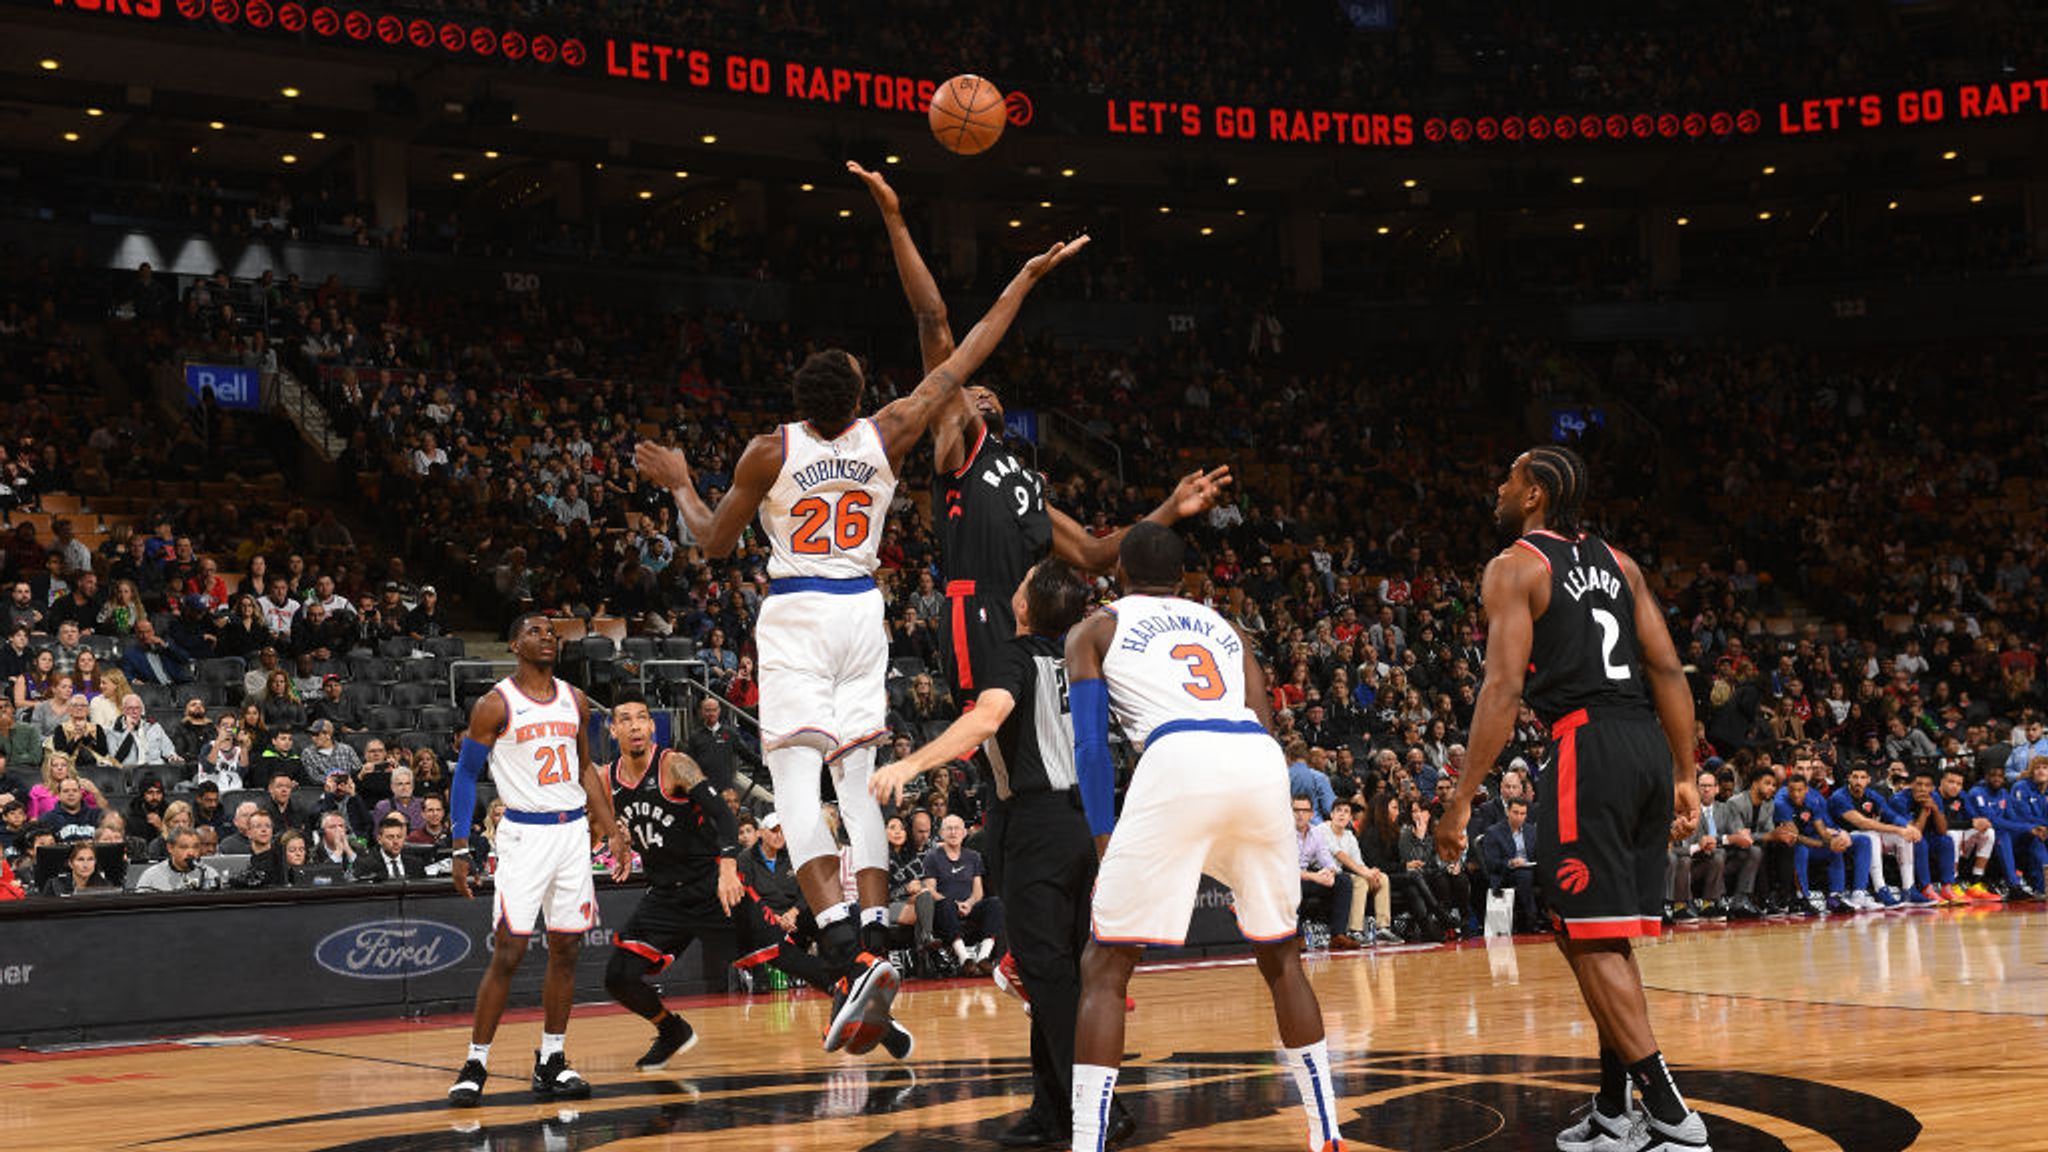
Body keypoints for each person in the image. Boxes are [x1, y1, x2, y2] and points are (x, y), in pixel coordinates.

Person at [632, 228, 1085, 1058]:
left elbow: (711, 543)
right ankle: (878, 944)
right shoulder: (888, 433)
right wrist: (1023, 276)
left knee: (799, 787)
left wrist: (679, 485)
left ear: (802, 401)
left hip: (798, 613)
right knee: (858, 779)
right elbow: (961, 344)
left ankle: (844, 949)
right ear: (857, 395)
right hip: (862, 612)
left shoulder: (771, 450)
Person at [1436, 445, 1711, 1151]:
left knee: (1586, 937)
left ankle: (1672, 1115)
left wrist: (1463, 798)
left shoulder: (1515, 566)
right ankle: (1614, 1107)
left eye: (1508, 478)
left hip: (1586, 744)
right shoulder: (1622, 564)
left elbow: (1502, 689)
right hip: (1646, 743)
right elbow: (1668, 667)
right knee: (1600, 933)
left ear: (1533, 495)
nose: (1498, 487)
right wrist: (1685, 769)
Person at [1064, 522, 1339, 1152]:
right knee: (1283, 955)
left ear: (1120, 575)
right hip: (1254, 756)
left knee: (1106, 965)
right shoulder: (1226, 627)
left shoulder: (1097, 627)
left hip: (1176, 756)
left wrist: (1104, 838)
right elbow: (1266, 720)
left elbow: (1090, 747)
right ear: (1184, 578)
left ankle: (1085, 1144)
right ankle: (1328, 1134)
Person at [868, 557, 1129, 1147]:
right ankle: (1054, 1109)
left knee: (1049, 975)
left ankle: (1100, 1110)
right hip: (1087, 821)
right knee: (1057, 971)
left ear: (1023, 606)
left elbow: (987, 719)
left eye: (1021, 583)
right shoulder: (1085, 656)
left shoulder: (1013, 656)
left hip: (1035, 822)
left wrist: (911, 763)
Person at [445, 612, 633, 1107]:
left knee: (568, 950)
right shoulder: (495, 703)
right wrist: (460, 844)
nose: (547, 637)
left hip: (572, 834)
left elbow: (586, 768)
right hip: (525, 836)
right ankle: (475, 1063)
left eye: (552, 632)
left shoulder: (574, 699)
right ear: (513, 644)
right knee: (508, 951)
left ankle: (552, 1058)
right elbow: (465, 777)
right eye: (535, 631)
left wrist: (611, 830)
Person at [1481, 795, 1542, 933]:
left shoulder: (1531, 830)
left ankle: (1555, 917)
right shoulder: (1493, 832)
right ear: (1507, 812)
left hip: (1530, 869)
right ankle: (1531, 920)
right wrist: (1510, 862)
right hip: (1506, 874)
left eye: (1523, 814)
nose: (1519, 817)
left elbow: (1539, 854)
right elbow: (1491, 863)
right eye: (1515, 813)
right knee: (1524, 875)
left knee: (1552, 873)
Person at [133, 826, 224, 892]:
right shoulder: (151, 876)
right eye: (184, 847)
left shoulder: (210, 874)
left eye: (195, 847)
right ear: (170, 848)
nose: (191, 853)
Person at [353, 814, 422, 882]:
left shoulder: (416, 864)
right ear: (379, 839)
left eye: (399, 837)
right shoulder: (365, 864)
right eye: (390, 837)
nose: (396, 842)